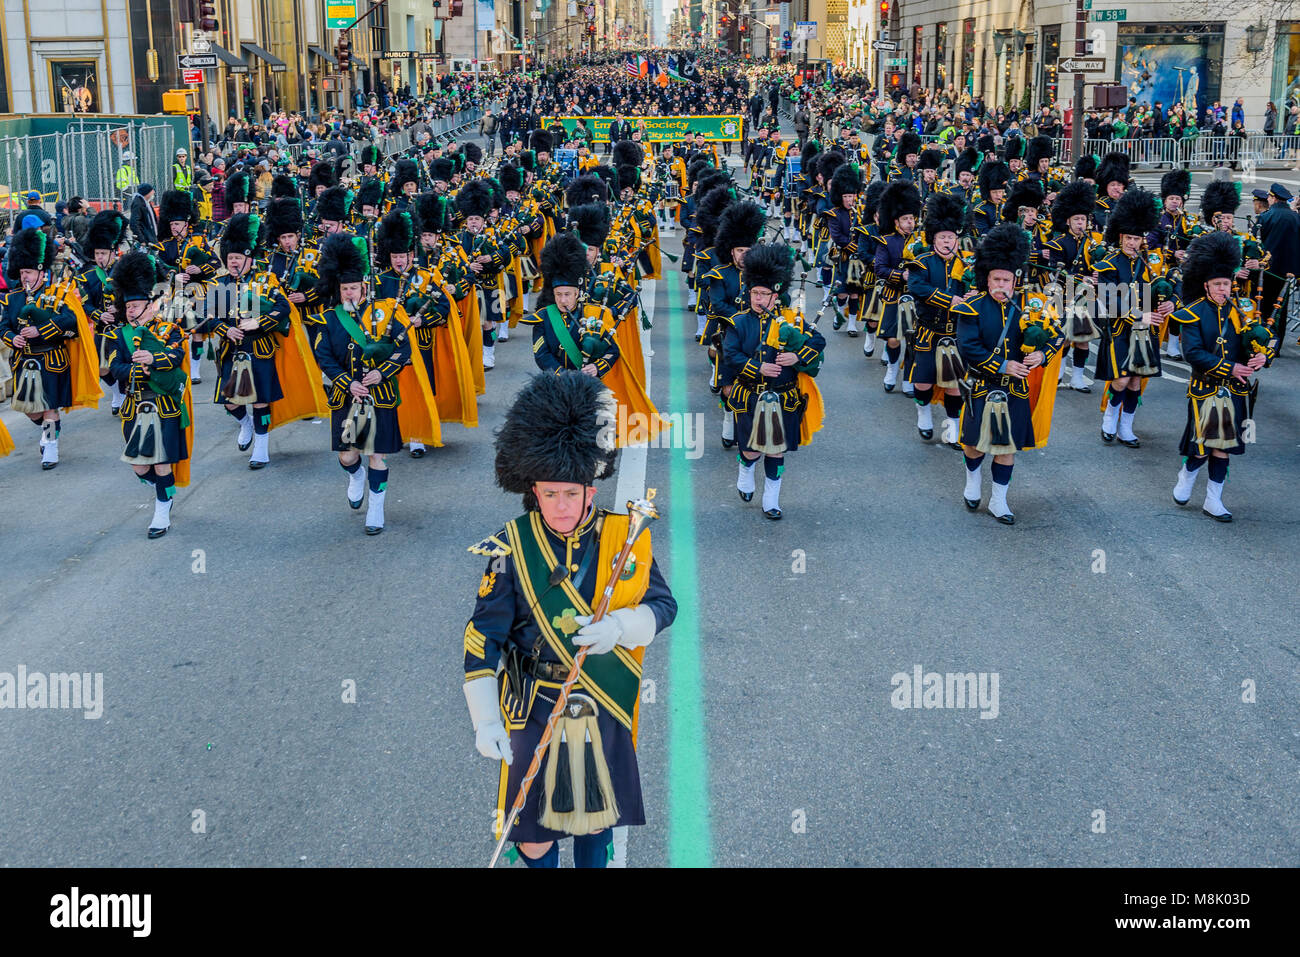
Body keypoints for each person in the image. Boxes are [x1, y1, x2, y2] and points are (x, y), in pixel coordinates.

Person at [461, 370, 677, 869]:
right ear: (533, 490)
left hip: (599, 697)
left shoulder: (622, 538)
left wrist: (621, 627)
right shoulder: (508, 547)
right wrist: (485, 717)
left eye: (571, 494)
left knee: (594, 824)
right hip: (534, 704)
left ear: (590, 491)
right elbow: (482, 636)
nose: (561, 506)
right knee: (533, 838)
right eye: (550, 493)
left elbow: (664, 606)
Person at [954, 223, 1060, 524]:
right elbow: (968, 347)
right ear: (987, 279)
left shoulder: (1032, 306)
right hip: (983, 385)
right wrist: (1001, 364)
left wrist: (1042, 354)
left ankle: (999, 501)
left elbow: (1057, 335)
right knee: (974, 444)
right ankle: (972, 481)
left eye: (1007, 279)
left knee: (1007, 445)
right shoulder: (971, 307)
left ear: (1016, 280)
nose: (1001, 284)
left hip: (1015, 390)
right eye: (996, 279)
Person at [1169, 232, 1271, 522]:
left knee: (1222, 447)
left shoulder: (1243, 312)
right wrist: (1231, 368)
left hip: (1234, 392)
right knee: (1202, 449)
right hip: (1205, 389)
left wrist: (1262, 357)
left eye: (1227, 283)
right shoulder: (1192, 313)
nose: (1223, 289)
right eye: (1217, 284)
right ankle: (1187, 473)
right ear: (1206, 285)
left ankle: (1214, 500)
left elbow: (1259, 342)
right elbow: (1193, 354)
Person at [720, 243, 825, 520]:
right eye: (754, 292)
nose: (758, 298)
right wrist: (758, 367)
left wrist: (796, 357)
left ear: (775, 294)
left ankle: (771, 499)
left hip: (783, 398)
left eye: (764, 293)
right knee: (751, 450)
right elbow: (730, 355)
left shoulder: (792, 320)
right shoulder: (739, 322)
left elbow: (818, 343)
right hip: (751, 396)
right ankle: (745, 470)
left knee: (776, 451)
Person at [104, 249, 193, 538]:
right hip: (135, 406)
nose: (131, 311)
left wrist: (154, 361)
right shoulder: (119, 335)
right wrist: (132, 371)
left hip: (163, 405)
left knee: (162, 460)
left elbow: (176, 357)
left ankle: (161, 508)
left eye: (137, 306)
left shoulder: (169, 330)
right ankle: (163, 490)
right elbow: (114, 366)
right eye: (128, 307)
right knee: (139, 467)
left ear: (151, 306)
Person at [2, 227, 97, 469]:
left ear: (40, 272)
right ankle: (49, 430)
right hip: (24, 362)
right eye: (22, 272)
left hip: (53, 360)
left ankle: (51, 448)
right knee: (30, 410)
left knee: (49, 407)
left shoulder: (57, 293)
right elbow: (3, 327)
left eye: (29, 272)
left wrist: (40, 331)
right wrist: (12, 338)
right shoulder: (12, 298)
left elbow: (70, 321)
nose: (25, 277)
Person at [1094, 188, 1164, 448]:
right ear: (1120, 237)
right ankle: (1111, 416)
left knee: (1136, 380)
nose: (1132, 243)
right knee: (1121, 378)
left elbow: (1160, 288)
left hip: (1144, 331)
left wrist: (1168, 300)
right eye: (1129, 238)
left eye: (1137, 238)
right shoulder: (1109, 264)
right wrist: (1137, 313)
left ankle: (1127, 426)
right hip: (1118, 329)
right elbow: (1108, 298)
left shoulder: (1146, 266)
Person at [904, 190, 970, 446]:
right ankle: (923, 413)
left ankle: (951, 427)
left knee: (954, 384)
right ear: (934, 239)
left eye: (951, 237)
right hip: (928, 331)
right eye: (942, 237)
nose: (947, 241)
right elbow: (917, 288)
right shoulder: (921, 262)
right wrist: (949, 300)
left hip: (955, 333)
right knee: (922, 382)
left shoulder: (966, 265)